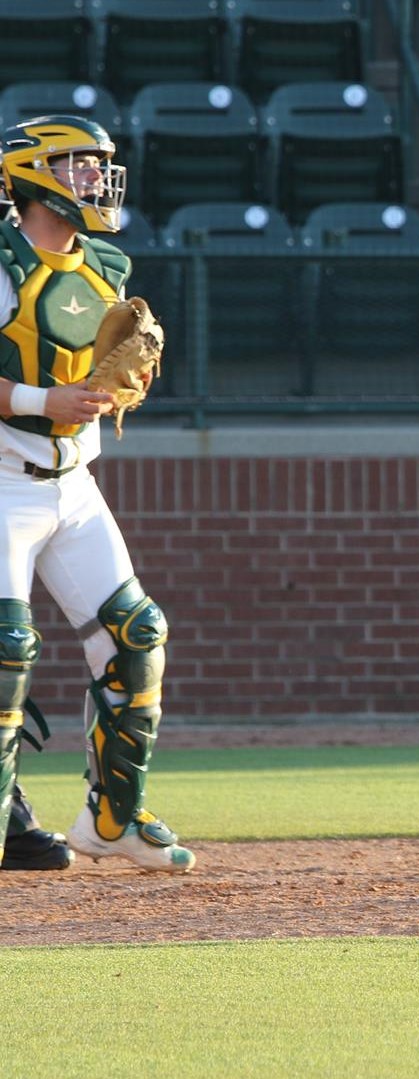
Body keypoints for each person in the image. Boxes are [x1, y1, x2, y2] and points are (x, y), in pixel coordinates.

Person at [0, 116, 194, 873]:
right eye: (81, 167)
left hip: (72, 482)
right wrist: (41, 402)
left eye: (99, 168)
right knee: (7, 651)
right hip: (3, 482)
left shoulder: (105, 266)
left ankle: (110, 821)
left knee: (136, 636)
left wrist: (121, 386)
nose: (97, 181)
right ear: (36, 175)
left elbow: (96, 364)